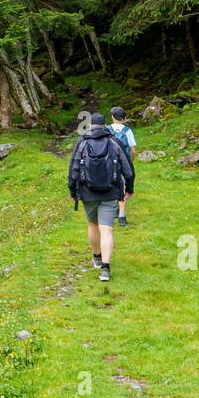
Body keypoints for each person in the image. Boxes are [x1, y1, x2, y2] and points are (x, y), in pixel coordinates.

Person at [68, 113, 134, 282]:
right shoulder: (114, 141)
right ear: (105, 124)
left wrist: (73, 191)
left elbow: (74, 168)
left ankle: (97, 257)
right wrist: (130, 187)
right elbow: (127, 167)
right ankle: (105, 268)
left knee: (93, 224)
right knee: (107, 229)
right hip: (111, 191)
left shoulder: (82, 142)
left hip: (87, 191)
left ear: (91, 125)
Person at [107, 106, 137, 227]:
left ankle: (114, 210)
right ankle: (122, 216)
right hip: (123, 163)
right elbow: (133, 150)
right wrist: (130, 161)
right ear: (124, 118)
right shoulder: (128, 131)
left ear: (112, 117)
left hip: (109, 163)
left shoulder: (106, 129)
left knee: (111, 186)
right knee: (123, 186)